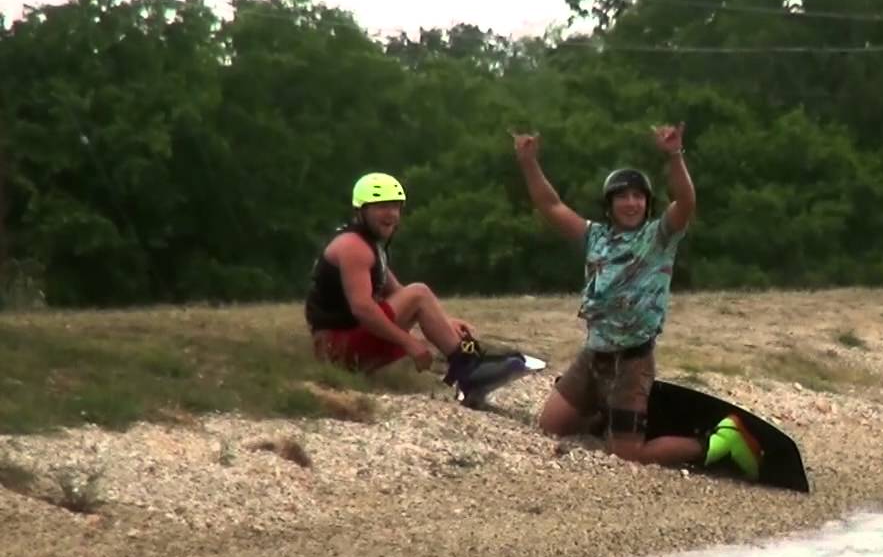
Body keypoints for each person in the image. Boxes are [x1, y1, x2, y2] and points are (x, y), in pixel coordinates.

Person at [512, 124, 761, 480]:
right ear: (610, 204)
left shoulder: (659, 236)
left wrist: (674, 155)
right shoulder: (594, 236)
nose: (631, 203)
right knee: (550, 426)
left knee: (627, 456)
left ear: (647, 203)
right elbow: (550, 205)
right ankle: (609, 414)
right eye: (622, 197)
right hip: (594, 357)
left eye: (638, 196)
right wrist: (528, 162)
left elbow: (687, 201)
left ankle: (719, 442)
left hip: (632, 363)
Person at [304, 172, 518, 399]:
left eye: (396, 206)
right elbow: (363, 309)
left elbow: (398, 293)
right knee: (419, 292)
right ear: (361, 210)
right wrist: (409, 343)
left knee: (417, 294)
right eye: (382, 206)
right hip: (337, 351)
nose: (392, 214)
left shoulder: (369, 245)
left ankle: (472, 365)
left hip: (343, 346)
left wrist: (445, 322)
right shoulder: (353, 246)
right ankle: (470, 370)